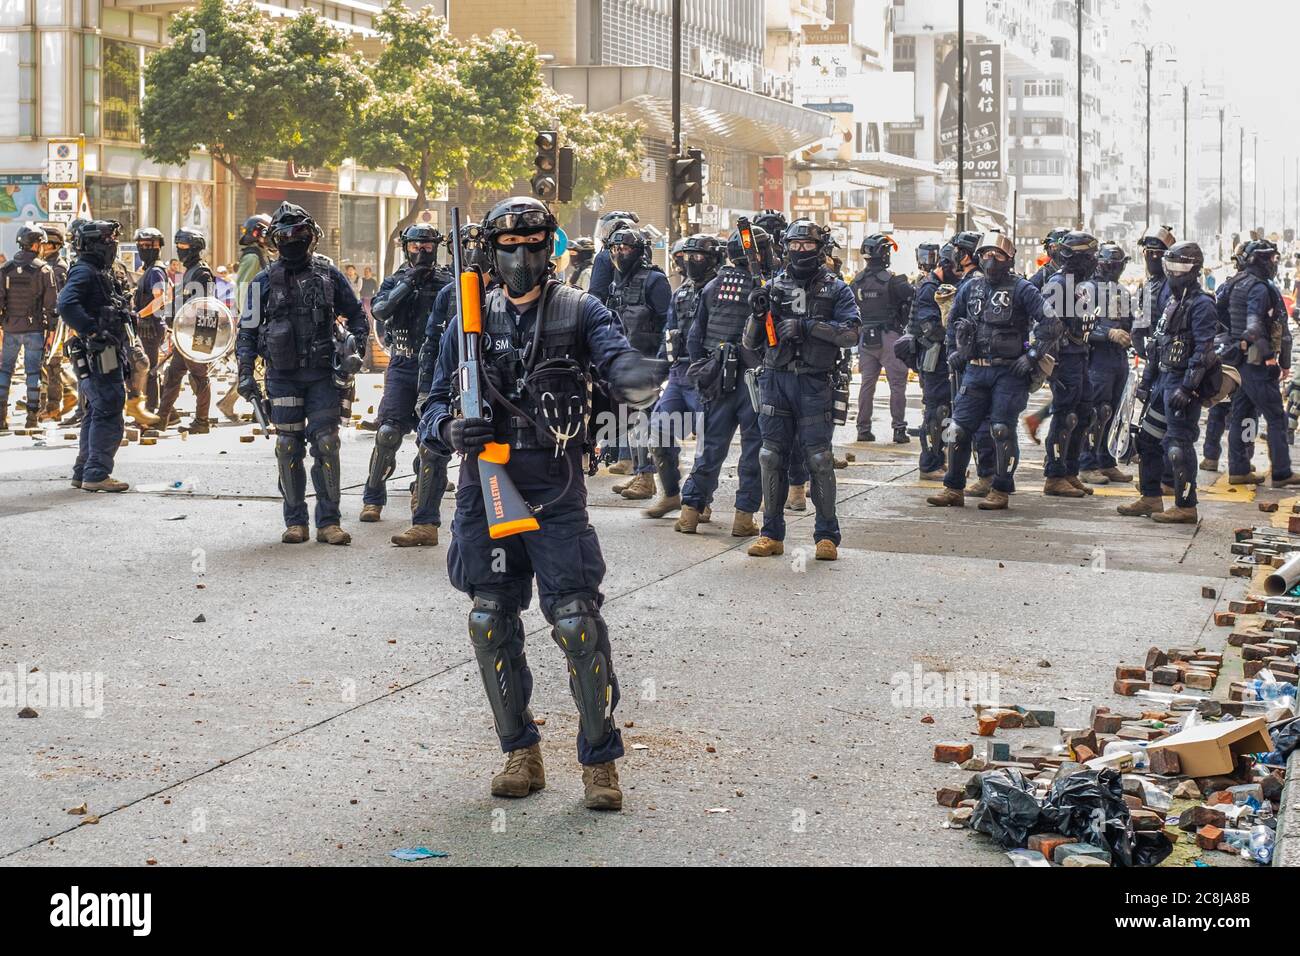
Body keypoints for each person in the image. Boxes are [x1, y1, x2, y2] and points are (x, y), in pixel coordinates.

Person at [419, 196, 666, 810]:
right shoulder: (464, 319)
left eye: (534, 246)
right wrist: (449, 429)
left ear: (549, 248)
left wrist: (637, 378)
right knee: (489, 620)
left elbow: (616, 363)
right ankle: (519, 749)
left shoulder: (580, 311)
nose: (523, 258)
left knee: (577, 624)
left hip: (554, 488)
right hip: (486, 487)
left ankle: (599, 760)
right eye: (509, 248)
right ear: (490, 254)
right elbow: (425, 403)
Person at [237, 202, 368, 545]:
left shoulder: (329, 274)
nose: (293, 240)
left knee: (327, 443)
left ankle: (329, 523)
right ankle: (295, 521)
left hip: (323, 375)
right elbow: (247, 332)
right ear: (274, 240)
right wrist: (245, 374)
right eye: (285, 234)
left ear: (312, 237)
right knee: (287, 446)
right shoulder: (262, 281)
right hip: (282, 375)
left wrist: (356, 351)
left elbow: (357, 316)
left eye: (300, 233)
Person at [743, 218, 860, 560]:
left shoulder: (836, 289)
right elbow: (750, 342)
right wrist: (756, 312)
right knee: (770, 456)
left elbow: (851, 333)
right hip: (776, 379)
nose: (800, 251)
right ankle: (771, 534)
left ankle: (826, 536)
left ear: (820, 248)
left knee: (820, 459)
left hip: (814, 382)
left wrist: (808, 327)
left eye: (807, 245)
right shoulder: (772, 286)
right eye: (794, 245)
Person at [927, 232, 1060, 512]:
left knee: (1001, 430)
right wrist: (953, 349)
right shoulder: (970, 287)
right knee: (958, 430)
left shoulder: (1023, 289)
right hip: (975, 369)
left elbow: (1052, 324)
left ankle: (1000, 489)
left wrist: (1032, 356)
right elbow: (953, 319)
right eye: (986, 253)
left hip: (1009, 373)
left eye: (998, 254)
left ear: (1009, 259)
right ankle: (953, 488)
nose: (991, 259)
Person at [360, 223, 451, 546]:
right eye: (416, 246)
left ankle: (423, 507)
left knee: (431, 443)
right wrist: (409, 282)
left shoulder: (447, 282)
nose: (422, 251)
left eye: (427, 245)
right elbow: (381, 312)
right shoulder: (396, 280)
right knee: (387, 433)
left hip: (437, 366)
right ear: (406, 248)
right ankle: (373, 495)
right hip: (402, 363)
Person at [1117, 243, 1222, 522]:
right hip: (1163, 379)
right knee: (1148, 440)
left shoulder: (1203, 304)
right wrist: (1147, 381)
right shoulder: (1173, 302)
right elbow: (1159, 345)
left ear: (1194, 270)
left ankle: (1186, 506)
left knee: (1177, 446)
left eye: (1181, 268)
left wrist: (1188, 387)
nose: (1175, 273)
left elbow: (1204, 351)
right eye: (1171, 267)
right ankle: (1151, 498)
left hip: (1181, 384)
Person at [644, 233, 729, 523]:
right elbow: (668, 335)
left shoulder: (722, 291)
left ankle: (700, 499)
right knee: (657, 429)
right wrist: (658, 371)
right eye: (687, 256)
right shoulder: (681, 292)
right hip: (680, 374)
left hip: (708, 374)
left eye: (699, 256)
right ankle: (670, 493)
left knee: (708, 443)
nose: (691, 262)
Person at [58, 220, 130, 491]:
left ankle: (84, 471)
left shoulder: (99, 271)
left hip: (104, 350)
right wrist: (91, 331)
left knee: (95, 408)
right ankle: (97, 474)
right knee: (109, 405)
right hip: (100, 353)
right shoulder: (85, 271)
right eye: (107, 240)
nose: (112, 244)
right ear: (92, 244)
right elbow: (66, 304)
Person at [1224, 239, 1300, 487]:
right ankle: (1281, 472)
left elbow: (1217, 316)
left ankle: (1239, 468)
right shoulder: (1259, 287)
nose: (1273, 263)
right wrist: (1270, 359)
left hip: (1238, 362)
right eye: (1270, 258)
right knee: (1276, 416)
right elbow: (1256, 325)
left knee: (1243, 414)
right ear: (1259, 260)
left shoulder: (1234, 283)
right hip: (1256, 362)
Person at [605, 226, 671, 499]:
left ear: (639, 251)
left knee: (648, 421)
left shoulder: (655, 281)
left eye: (626, 249)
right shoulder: (616, 282)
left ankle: (650, 478)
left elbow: (670, 320)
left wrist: (661, 360)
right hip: (626, 361)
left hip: (649, 361)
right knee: (632, 421)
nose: (620, 254)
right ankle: (641, 474)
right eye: (616, 249)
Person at [1041, 231, 1100, 498]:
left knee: (1084, 414)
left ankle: (1069, 471)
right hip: (1065, 358)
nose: (1095, 261)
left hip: (1080, 353)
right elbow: (1047, 326)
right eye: (1090, 256)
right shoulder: (1059, 283)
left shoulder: (1078, 283)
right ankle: (1054, 475)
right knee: (1066, 415)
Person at [898, 242, 960, 480]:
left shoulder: (944, 284)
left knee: (948, 412)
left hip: (944, 358)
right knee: (936, 412)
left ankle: (940, 460)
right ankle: (930, 464)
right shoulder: (929, 288)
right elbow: (930, 329)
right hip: (932, 358)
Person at [1078, 241, 1135, 485]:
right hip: (1097, 359)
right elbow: (1080, 325)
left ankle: (1107, 460)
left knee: (1114, 412)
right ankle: (1087, 463)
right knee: (1096, 413)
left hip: (1118, 359)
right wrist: (1107, 333)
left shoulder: (1120, 291)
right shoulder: (1086, 289)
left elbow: (1128, 321)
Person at [851, 233, 913, 443]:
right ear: (884, 254)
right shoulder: (895, 281)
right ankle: (898, 429)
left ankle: (863, 429)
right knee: (897, 385)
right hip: (890, 338)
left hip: (865, 339)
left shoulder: (856, 282)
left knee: (867, 384)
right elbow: (913, 299)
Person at [156, 227, 213, 434]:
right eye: (178, 246)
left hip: (197, 333)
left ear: (195, 248)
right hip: (183, 333)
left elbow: (203, 305)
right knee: (173, 374)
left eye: (184, 246)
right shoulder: (189, 271)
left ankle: (202, 421)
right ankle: (161, 419)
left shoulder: (202, 272)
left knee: (199, 378)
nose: (180, 250)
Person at [216, 214, 273, 422]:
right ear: (259, 234)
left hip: (257, 319)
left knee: (257, 365)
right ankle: (239, 405)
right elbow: (244, 289)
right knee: (257, 365)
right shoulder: (252, 257)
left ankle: (233, 403)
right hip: (256, 321)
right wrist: (251, 318)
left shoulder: (259, 255)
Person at [0, 223, 57, 429]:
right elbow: (52, 305)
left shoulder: (5, 269)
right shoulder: (44, 269)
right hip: (34, 330)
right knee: (33, 372)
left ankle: (1, 419)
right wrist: (52, 331)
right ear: (35, 245)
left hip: (10, 329)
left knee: (5, 371)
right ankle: (32, 419)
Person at [1201, 243, 1248, 472]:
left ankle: (1211, 456)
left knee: (1219, 407)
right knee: (1246, 412)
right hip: (1247, 360)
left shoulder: (1227, 286)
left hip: (1227, 355)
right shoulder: (1261, 287)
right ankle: (1243, 460)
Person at [126, 227, 168, 428]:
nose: (145, 249)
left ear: (159, 246)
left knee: (149, 371)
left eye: (149, 245)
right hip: (147, 326)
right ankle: (157, 413)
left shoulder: (156, 271)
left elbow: (161, 299)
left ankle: (149, 413)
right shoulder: (149, 271)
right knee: (147, 369)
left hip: (150, 327)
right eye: (141, 246)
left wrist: (138, 315)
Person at [589, 209, 638, 305]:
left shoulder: (604, 257)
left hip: (612, 315)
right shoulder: (641, 253)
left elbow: (596, 295)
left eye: (606, 231)